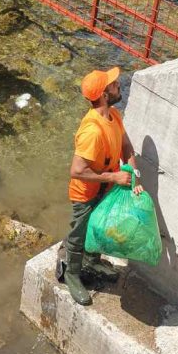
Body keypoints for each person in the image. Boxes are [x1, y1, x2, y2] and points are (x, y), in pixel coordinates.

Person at [57, 67, 144, 306]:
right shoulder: (92, 132)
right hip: (85, 193)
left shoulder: (114, 115)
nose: (118, 85)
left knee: (100, 228)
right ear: (104, 95)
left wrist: (135, 175)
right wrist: (114, 178)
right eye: (114, 84)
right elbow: (76, 171)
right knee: (79, 233)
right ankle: (72, 274)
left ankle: (93, 260)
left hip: (105, 189)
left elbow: (126, 146)